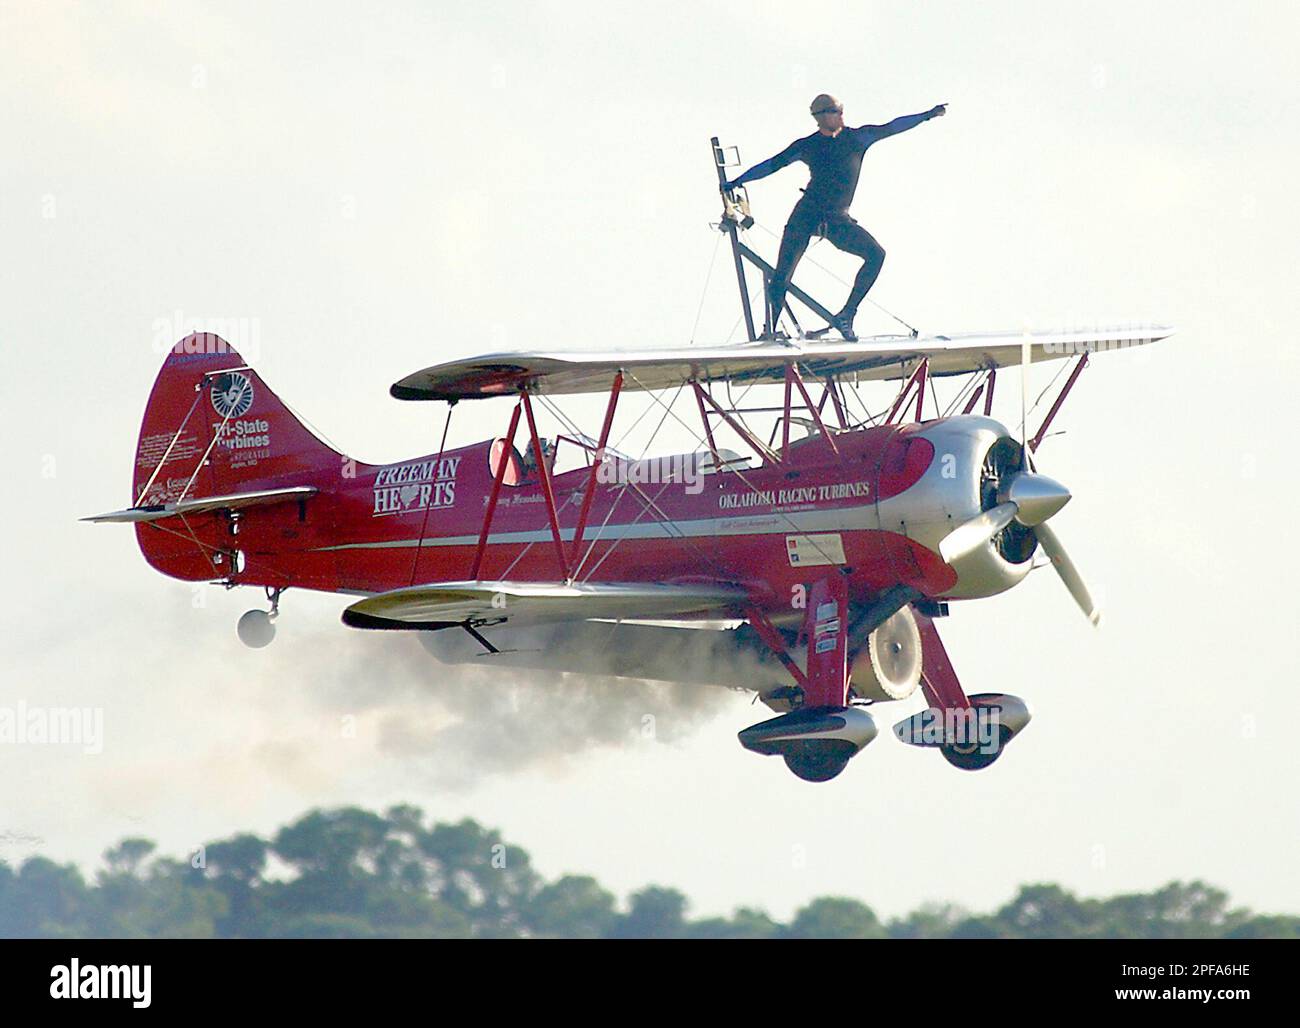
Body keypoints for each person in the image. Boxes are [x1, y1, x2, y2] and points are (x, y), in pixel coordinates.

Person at [728, 94, 946, 340]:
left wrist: (927, 115)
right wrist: (738, 180)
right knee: (782, 274)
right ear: (820, 117)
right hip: (807, 214)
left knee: (876, 255)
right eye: (835, 111)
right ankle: (770, 330)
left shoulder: (857, 138)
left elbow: (893, 127)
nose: (841, 116)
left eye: (841, 110)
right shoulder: (807, 145)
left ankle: (847, 314)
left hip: (837, 219)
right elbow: (773, 164)